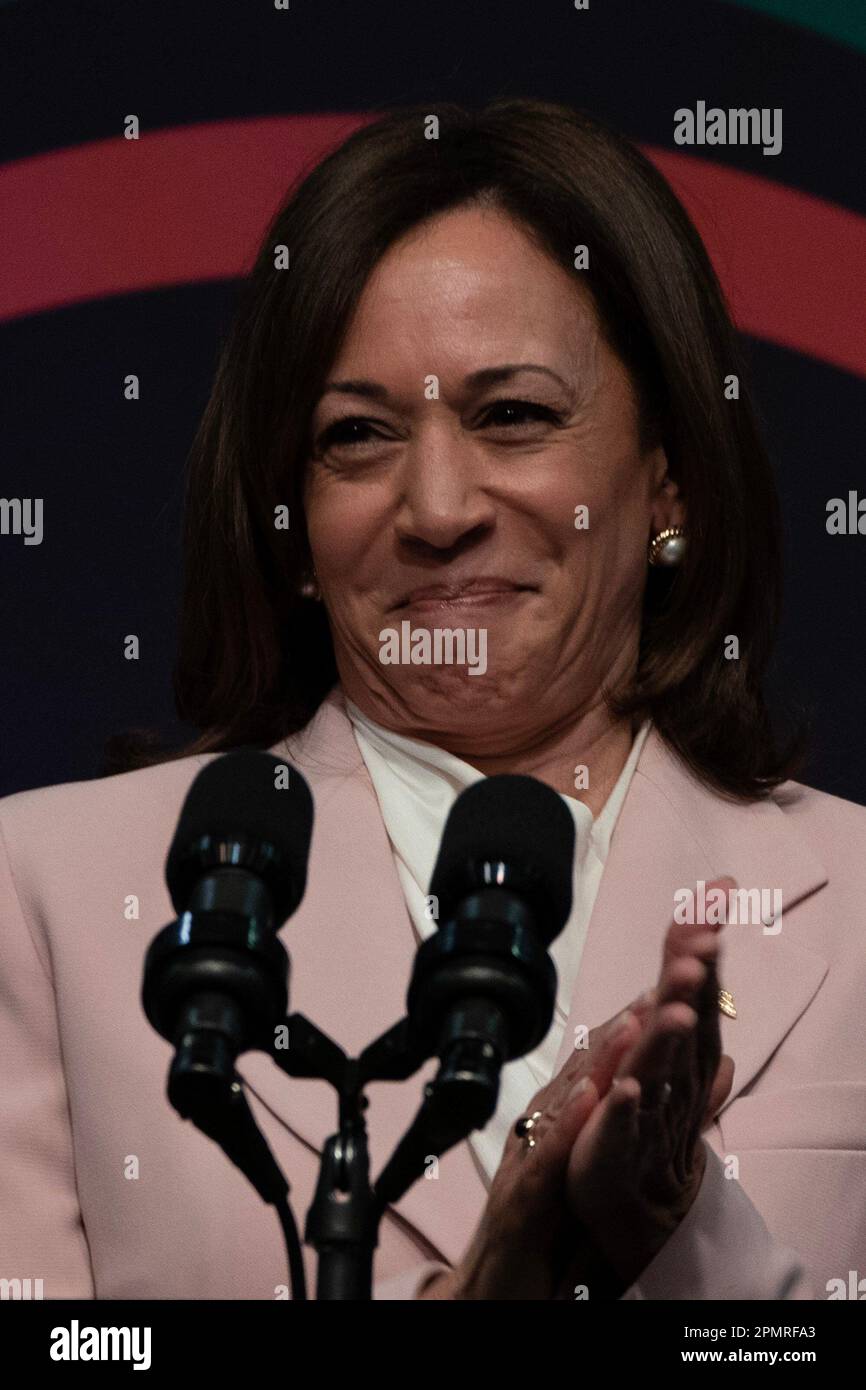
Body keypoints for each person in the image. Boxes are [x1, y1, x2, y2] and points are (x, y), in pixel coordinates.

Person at [2, 99, 864, 1301]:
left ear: (668, 482)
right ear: (295, 526)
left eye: (512, 416)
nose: (439, 508)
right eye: (356, 436)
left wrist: (675, 1232)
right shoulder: (43, 892)